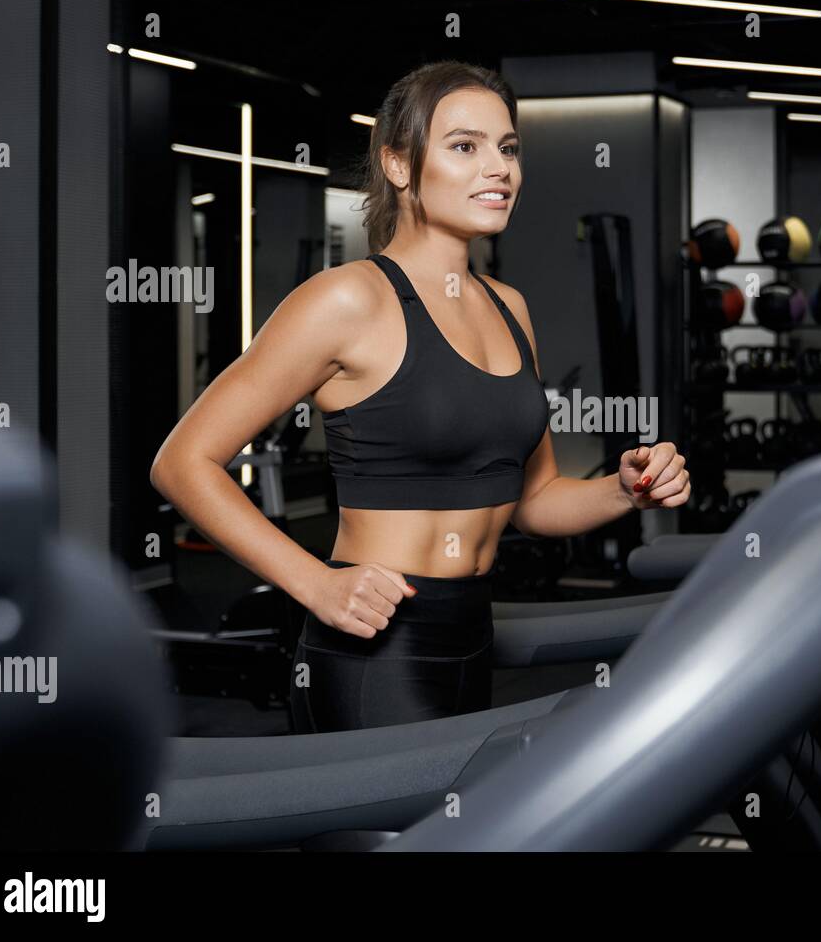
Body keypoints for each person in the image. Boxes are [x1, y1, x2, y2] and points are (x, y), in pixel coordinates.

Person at [149, 60, 691, 732]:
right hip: (377, 647)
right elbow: (182, 462)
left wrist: (623, 488)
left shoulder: (509, 308)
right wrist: (316, 582)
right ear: (400, 165)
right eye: (466, 146)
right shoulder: (347, 299)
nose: (500, 168)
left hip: (473, 634)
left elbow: (534, 498)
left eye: (509, 148)